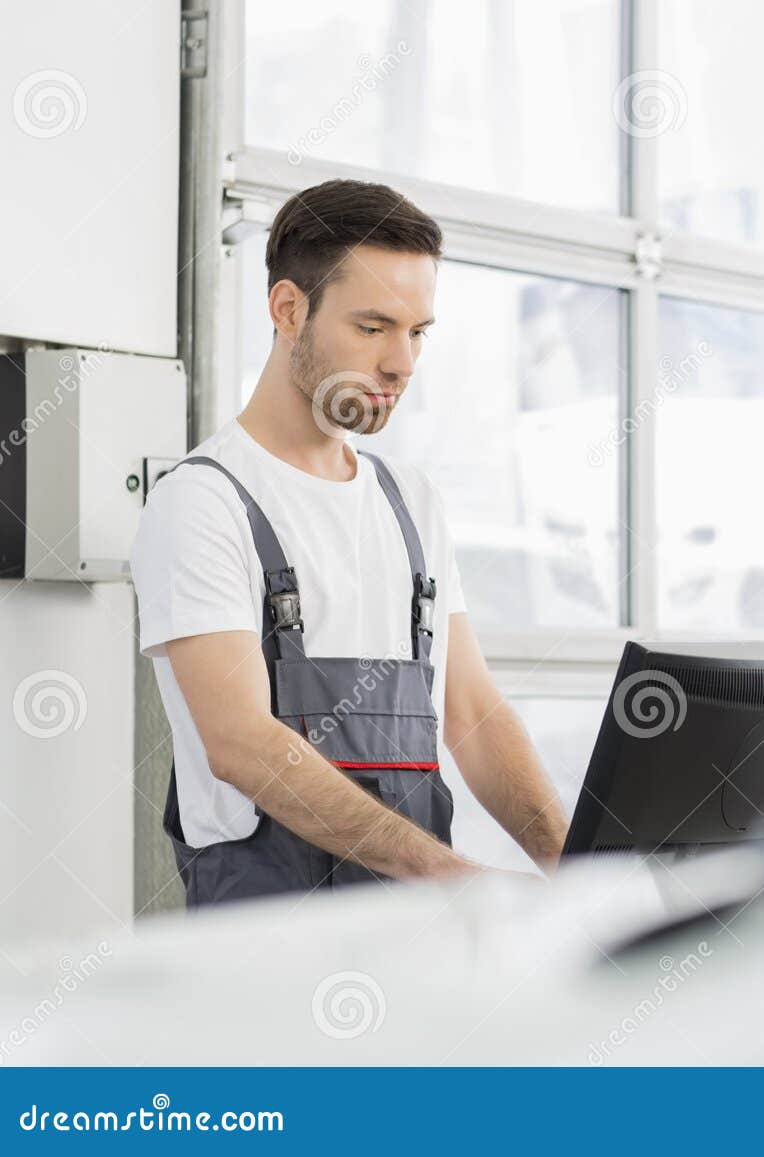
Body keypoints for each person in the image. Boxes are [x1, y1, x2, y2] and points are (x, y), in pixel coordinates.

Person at [130, 178, 568, 909]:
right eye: (373, 328)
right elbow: (241, 742)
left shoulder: (410, 504)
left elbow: (473, 713)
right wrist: (455, 881)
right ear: (289, 310)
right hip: (268, 948)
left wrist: (579, 866)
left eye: (418, 331)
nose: (403, 364)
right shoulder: (204, 502)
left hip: (417, 935)